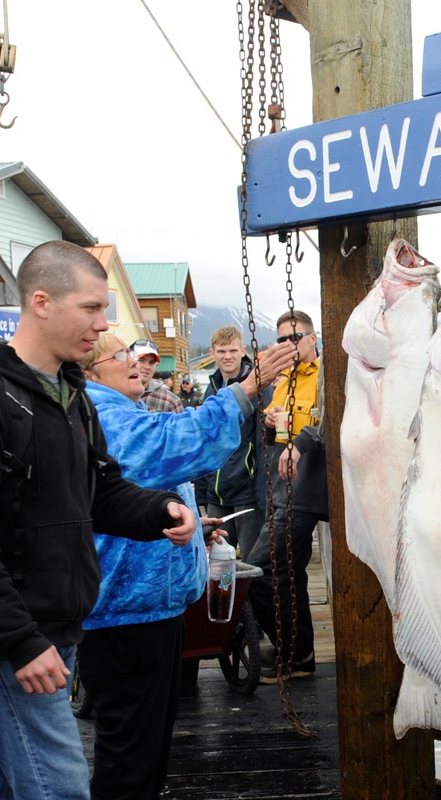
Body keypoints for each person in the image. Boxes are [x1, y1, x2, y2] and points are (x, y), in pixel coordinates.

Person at [0, 240, 197, 800]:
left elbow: (99, 491)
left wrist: (157, 509)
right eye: (91, 308)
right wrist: (21, 642)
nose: (104, 324)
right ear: (41, 302)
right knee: (58, 787)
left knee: (4, 783)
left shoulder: (69, 394)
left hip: (54, 628)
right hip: (3, 643)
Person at [78, 331, 293, 800]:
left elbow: (140, 493)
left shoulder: (121, 410)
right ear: (91, 370)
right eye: (121, 356)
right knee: (128, 752)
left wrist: (196, 525)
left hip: (151, 607)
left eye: (138, 356)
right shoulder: (102, 415)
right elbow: (171, 444)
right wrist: (248, 388)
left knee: (149, 744)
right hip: (123, 611)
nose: (136, 364)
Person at [248, 310, 322, 684]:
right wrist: (268, 422)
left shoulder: (327, 377)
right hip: (283, 491)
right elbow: (274, 437)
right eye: (282, 339)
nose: (289, 345)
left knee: (257, 569)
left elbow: (331, 422)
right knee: (289, 574)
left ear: (313, 338)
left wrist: (300, 441)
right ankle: (298, 654)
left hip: (310, 491)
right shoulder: (282, 381)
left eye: (296, 338)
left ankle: (290, 649)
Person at [196, 325, 269, 557]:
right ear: (212, 353)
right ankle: (228, 596)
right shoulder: (212, 388)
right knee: (217, 560)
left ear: (242, 351)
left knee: (252, 557)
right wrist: (201, 491)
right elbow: (204, 442)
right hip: (216, 493)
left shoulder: (256, 386)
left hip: (246, 492)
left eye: (232, 351)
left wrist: (261, 493)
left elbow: (262, 443)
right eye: (221, 351)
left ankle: (252, 595)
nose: (227, 356)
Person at [131, 338, 183, 412]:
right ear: (129, 360)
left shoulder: (171, 402)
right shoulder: (114, 395)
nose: (147, 367)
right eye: (141, 360)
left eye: (151, 362)